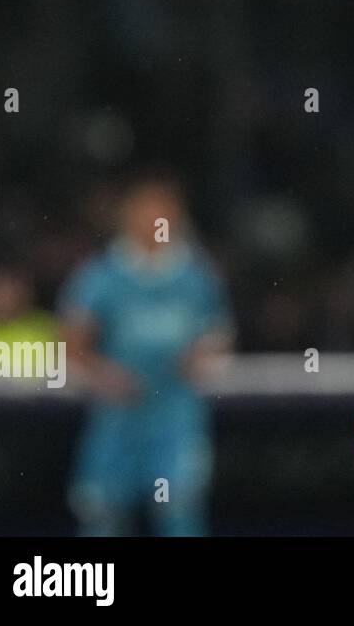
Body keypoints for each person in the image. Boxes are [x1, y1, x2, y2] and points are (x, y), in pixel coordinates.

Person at [58, 170, 233, 536]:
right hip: (118, 416)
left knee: (180, 510)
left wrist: (201, 355)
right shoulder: (102, 275)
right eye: (146, 212)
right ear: (126, 217)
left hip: (176, 413)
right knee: (102, 513)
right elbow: (72, 343)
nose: (155, 221)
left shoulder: (195, 275)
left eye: (164, 212)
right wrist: (104, 375)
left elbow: (219, 333)